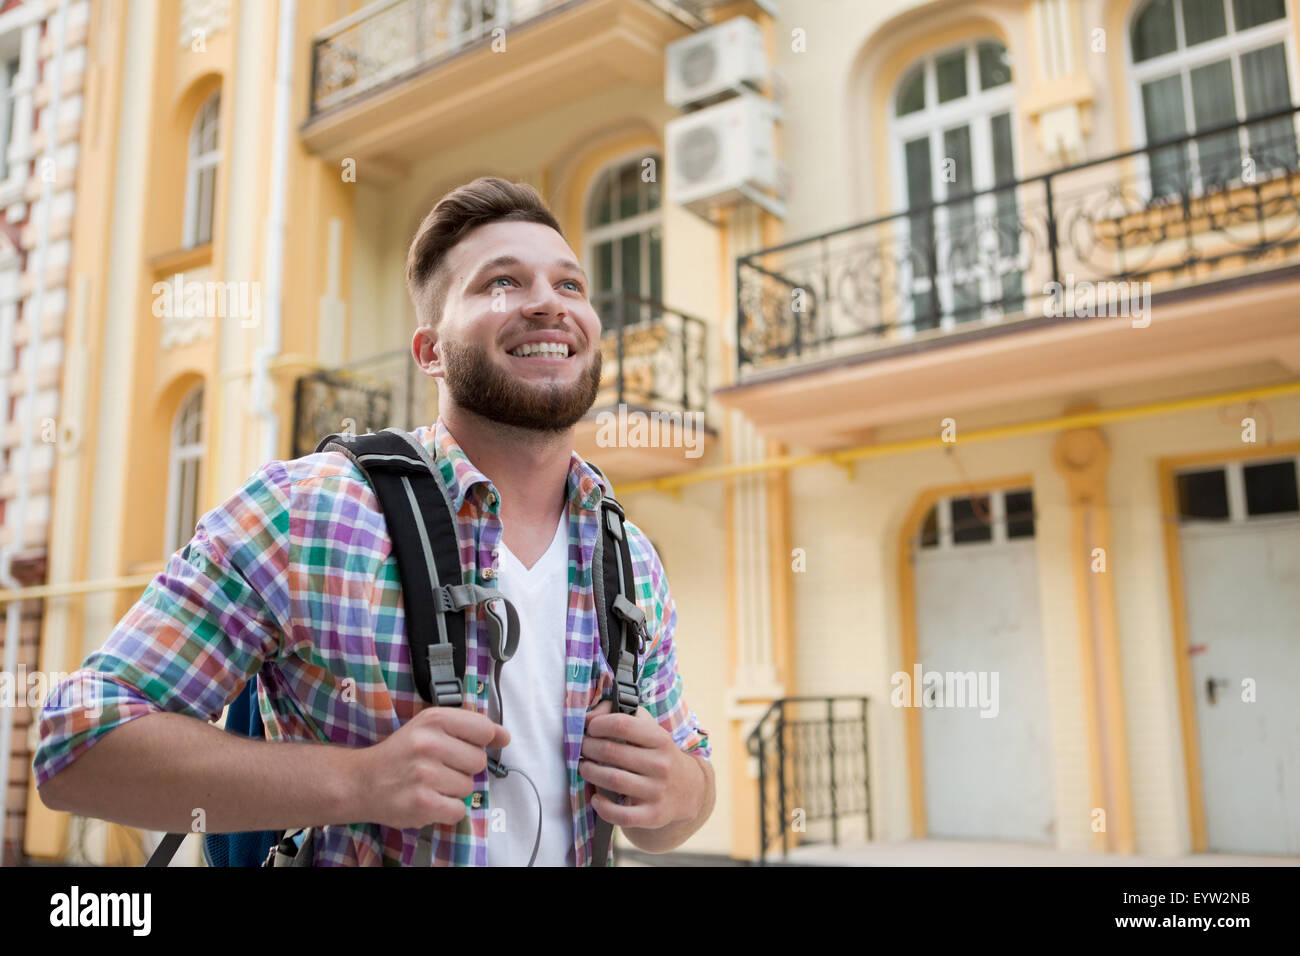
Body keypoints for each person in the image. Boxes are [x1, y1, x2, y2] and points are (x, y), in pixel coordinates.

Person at [33, 176, 714, 866]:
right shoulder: (306, 512)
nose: (547, 302)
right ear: (430, 352)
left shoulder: (627, 555)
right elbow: (77, 745)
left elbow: (682, 792)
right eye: (501, 283)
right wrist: (356, 783)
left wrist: (681, 793)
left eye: (570, 285)